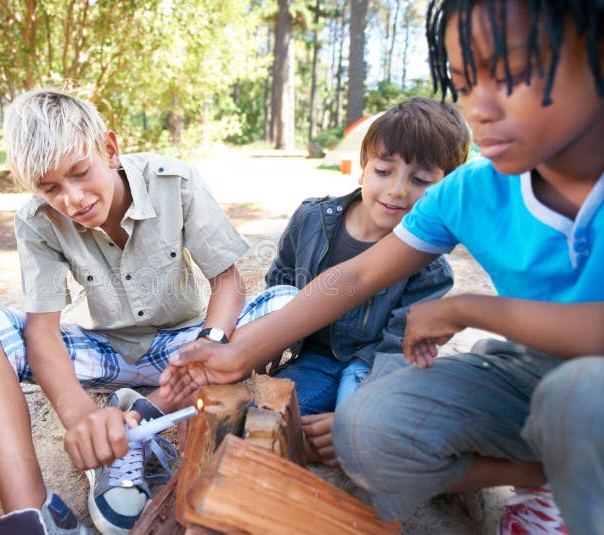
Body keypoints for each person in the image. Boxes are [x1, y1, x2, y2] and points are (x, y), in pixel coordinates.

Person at [160, 1, 604, 533]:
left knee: (578, 394)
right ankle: (541, 471)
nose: (479, 107)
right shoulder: (471, 192)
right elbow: (355, 277)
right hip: (528, 374)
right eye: (463, 82)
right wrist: (238, 352)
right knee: (362, 428)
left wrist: (467, 308)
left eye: (510, 72)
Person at [0, 87, 296, 535]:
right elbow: (43, 331)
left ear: (109, 150)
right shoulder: (37, 220)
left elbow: (227, 282)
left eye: (79, 172)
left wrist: (210, 344)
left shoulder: (175, 182)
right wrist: (80, 416)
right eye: (50, 187)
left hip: (183, 348)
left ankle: (142, 413)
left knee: (286, 302)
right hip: (103, 353)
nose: (71, 199)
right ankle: (35, 515)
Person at [265, 96, 469, 465]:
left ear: (445, 189)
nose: (397, 190)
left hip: (372, 367)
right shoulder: (312, 221)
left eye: (420, 180)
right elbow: (278, 288)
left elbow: (398, 349)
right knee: (265, 418)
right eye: (384, 171)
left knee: (363, 438)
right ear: (363, 167)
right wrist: (259, 348)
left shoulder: (430, 268)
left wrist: (358, 416)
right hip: (314, 359)